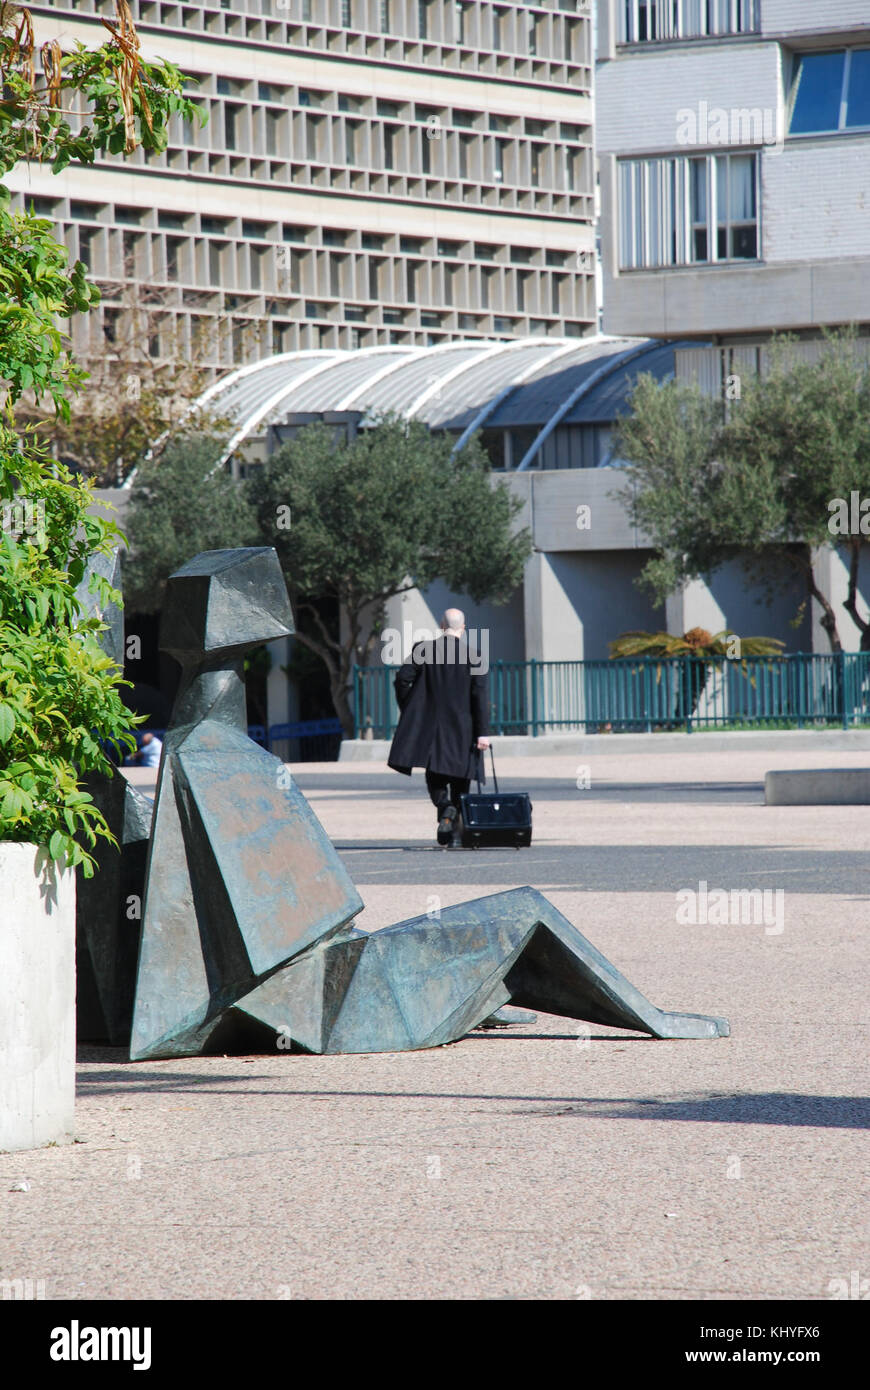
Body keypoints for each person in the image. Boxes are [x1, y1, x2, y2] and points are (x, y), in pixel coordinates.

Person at [388, 608, 490, 846]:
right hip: (463, 727)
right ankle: (454, 829)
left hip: (430, 726)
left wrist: (412, 708)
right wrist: (483, 732)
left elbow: (403, 679)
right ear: (462, 628)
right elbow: (479, 697)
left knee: (435, 775)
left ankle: (444, 809)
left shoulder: (423, 650)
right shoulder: (474, 656)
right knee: (460, 779)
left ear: (442, 625)